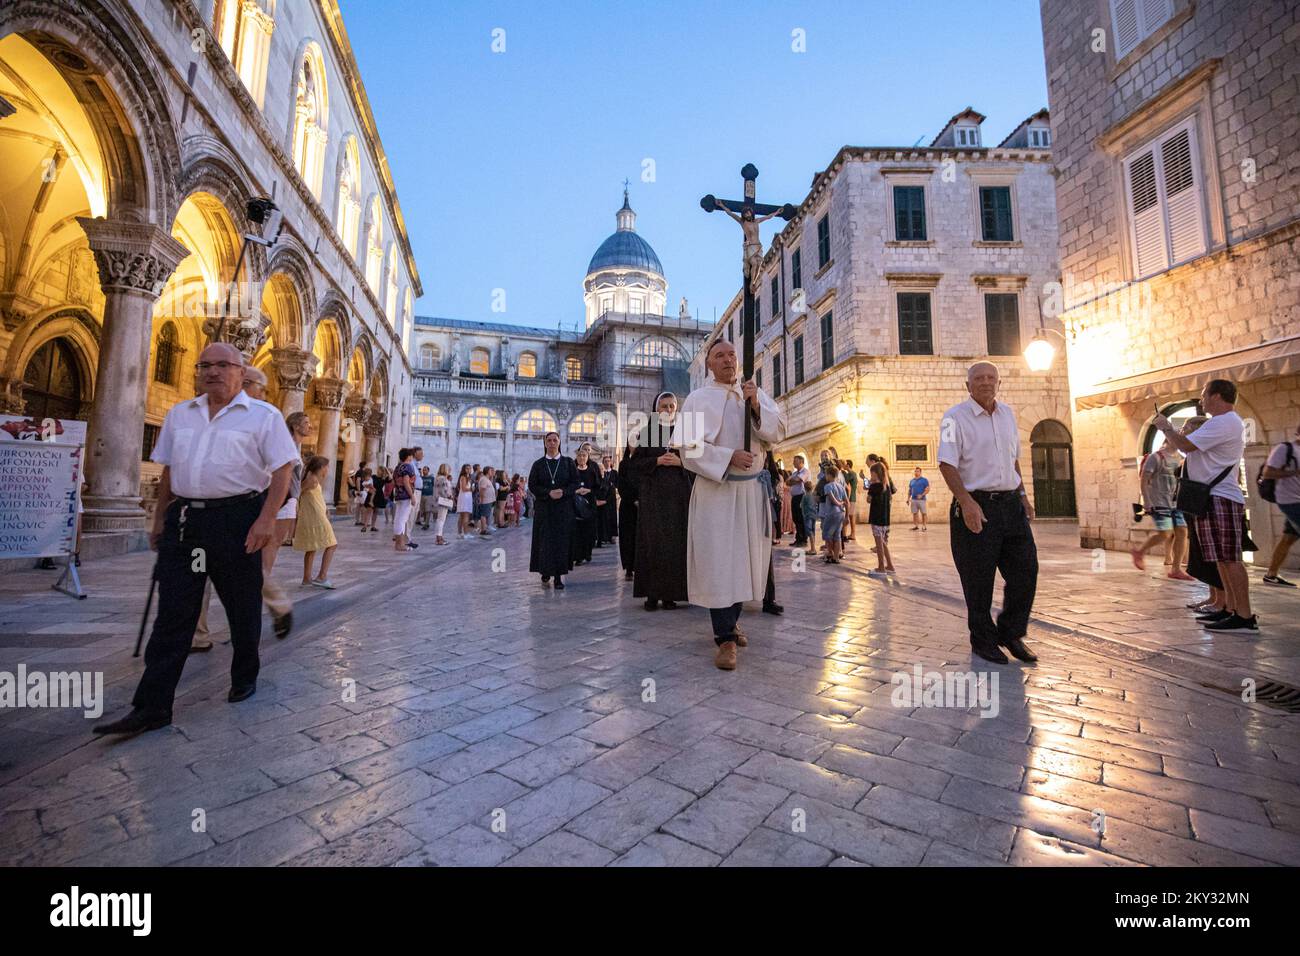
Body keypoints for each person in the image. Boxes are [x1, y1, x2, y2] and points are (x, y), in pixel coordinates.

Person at [94, 343, 297, 735]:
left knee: (242, 607)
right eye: (205, 365)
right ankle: (152, 706)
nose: (213, 372)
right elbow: (170, 469)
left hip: (237, 520)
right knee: (173, 614)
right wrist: (159, 519)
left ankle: (244, 675)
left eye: (223, 365)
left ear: (241, 371)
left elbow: (282, 470)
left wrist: (265, 520)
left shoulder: (263, 417)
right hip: (186, 521)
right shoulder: (179, 414)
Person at [671, 339, 786, 670]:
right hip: (717, 491)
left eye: (732, 354)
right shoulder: (697, 400)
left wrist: (756, 408)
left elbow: (778, 432)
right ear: (709, 364)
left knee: (744, 562)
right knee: (721, 563)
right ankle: (724, 639)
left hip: (752, 493)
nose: (727, 360)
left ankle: (732, 621)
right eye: (719, 355)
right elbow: (688, 451)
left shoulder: (755, 391)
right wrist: (728, 456)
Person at [937, 361, 1038, 665]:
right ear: (968, 386)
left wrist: (1023, 495)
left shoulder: (1007, 414)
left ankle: (1011, 633)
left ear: (998, 382)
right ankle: (983, 639)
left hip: (1010, 504)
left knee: (1026, 571)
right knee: (978, 579)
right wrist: (966, 502)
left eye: (990, 378)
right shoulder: (954, 417)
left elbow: (1013, 459)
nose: (985, 382)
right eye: (978, 378)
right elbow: (947, 463)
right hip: (976, 504)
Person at [1152, 379, 1255, 631]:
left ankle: (1244, 614)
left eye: (1204, 395)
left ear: (1217, 396)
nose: (1201, 400)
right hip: (1210, 497)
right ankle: (1229, 608)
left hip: (1222, 496)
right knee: (1220, 557)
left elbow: (1185, 445)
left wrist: (1166, 427)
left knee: (1230, 558)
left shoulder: (1226, 421)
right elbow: (1191, 450)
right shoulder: (1222, 423)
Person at [623, 392, 691, 611]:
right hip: (653, 498)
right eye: (664, 406)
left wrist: (681, 463)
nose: (668, 410)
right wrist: (657, 460)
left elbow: (699, 462)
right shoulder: (647, 432)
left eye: (672, 406)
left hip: (677, 499)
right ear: (656, 409)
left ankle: (670, 595)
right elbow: (633, 466)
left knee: (674, 547)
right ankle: (651, 595)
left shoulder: (684, 432)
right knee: (651, 546)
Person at [262, 410, 311, 638]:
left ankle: (264, 586)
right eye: (306, 423)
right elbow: (279, 475)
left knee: (273, 547)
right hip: (283, 502)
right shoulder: (288, 444)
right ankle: (267, 590)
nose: (309, 427)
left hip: (288, 502)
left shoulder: (295, 446)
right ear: (295, 425)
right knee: (270, 548)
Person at [1131, 442, 1192, 579]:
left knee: (1182, 531)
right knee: (1165, 533)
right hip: (1159, 501)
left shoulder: (1181, 458)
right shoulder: (1155, 457)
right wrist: (1146, 501)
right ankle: (1140, 552)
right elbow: (1144, 480)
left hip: (1176, 502)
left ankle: (1175, 569)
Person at [528, 431, 578, 589]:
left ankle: (558, 576)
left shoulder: (568, 462)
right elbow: (532, 485)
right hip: (545, 509)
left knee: (561, 543)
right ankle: (545, 571)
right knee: (545, 542)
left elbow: (575, 482)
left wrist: (563, 492)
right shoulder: (538, 464)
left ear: (559, 442)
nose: (551, 443)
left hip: (563, 509)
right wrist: (548, 493)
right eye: (548, 440)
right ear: (544, 443)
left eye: (554, 440)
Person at [1262, 422, 1300, 587]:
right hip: (1289, 500)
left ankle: (1271, 574)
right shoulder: (1285, 449)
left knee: (1288, 538)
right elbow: (1268, 472)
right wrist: (1294, 472)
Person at [294, 454, 338, 587]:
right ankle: (322, 576)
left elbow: (314, 497)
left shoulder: (313, 478)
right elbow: (298, 492)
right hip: (315, 516)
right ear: (321, 467)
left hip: (315, 514)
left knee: (311, 547)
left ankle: (307, 579)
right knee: (332, 544)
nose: (327, 469)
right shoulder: (312, 480)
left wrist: (325, 508)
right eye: (327, 467)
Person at [570, 444, 600, 565]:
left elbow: (598, 486)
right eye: (579, 455)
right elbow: (568, 485)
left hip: (589, 504)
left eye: (584, 455)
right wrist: (575, 491)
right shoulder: (572, 471)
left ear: (588, 457)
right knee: (577, 531)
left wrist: (589, 491)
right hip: (575, 505)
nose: (582, 458)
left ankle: (587, 553)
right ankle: (577, 556)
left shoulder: (592, 470)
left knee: (588, 531)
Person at [616, 441, 639, 579]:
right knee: (628, 537)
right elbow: (622, 485)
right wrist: (633, 499)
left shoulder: (645, 463)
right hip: (628, 505)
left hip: (644, 504)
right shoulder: (624, 464)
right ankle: (629, 567)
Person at [867, 461, 895, 575]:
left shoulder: (874, 486)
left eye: (871, 473)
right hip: (885, 519)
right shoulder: (887, 486)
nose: (871, 475)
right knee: (883, 543)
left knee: (879, 544)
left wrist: (870, 485)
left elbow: (868, 499)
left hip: (876, 518)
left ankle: (881, 567)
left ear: (875, 473)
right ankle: (890, 566)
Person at [391, 449, 418, 552]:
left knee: (398, 519)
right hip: (405, 495)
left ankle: (398, 543)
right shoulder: (407, 467)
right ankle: (400, 544)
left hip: (398, 494)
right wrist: (412, 496)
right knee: (402, 520)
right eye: (411, 455)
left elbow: (394, 481)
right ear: (408, 456)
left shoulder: (398, 467)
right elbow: (407, 482)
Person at [820, 463, 847, 564]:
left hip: (831, 513)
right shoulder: (841, 486)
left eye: (826, 475)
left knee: (827, 535)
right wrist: (847, 515)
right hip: (841, 513)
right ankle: (836, 557)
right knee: (837, 536)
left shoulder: (827, 486)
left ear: (830, 475)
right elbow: (847, 502)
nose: (826, 477)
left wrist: (839, 503)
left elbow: (832, 499)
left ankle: (830, 553)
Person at [787, 455, 810, 547]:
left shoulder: (805, 471)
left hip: (801, 497)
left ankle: (803, 539)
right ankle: (798, 538)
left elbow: (799, 480)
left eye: (795, 461)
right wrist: (794, 480)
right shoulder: (795, 473)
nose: (793, 463)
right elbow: (787, 482)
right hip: (794, 497)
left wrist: (794, 480)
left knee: (801, 518)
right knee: (795, 518)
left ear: (801, 462)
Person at [596, 453, 619, 545]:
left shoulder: (614, 473)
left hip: (612, 498)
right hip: (602, 498)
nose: (607, 463)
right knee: (604, 518)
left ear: (611, 462)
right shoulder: (602, 472)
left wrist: (613, 487)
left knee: (612, 517)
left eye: (608, 461)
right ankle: (604, 536)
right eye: (605, 461)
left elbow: (618, 484)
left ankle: (612, 536)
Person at [432, 464, 453, 545]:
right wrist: (450, 496)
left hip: (441, 500)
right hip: (442, 500)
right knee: (441, 520)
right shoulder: (442, 478)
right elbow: (443, 490)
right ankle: (439, 538)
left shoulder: (440, 478)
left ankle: (439, 536)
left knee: (441, 519)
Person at [476, 465, 496, 537]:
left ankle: (485, 528)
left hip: (488, 500)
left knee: (486, 514)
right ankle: (483, 530)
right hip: (485, 500)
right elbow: (482, 490)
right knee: (484, 515)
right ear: (487, 471)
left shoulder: (487, 479)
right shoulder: (484, 479)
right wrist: (482, 499)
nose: (492, 472)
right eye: (491, 471)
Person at [908, 466, 930, 531]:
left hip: (922, 500)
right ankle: (916, 526)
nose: (916, 472)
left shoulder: (924, 480)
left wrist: (922, 495)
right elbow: (909, 490)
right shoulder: (912, 481)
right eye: (915, 471)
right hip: (913, 500)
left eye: (917, 471)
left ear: (920, 472)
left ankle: (924, 526)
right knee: (915, 513)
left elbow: (928, 489)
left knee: (924, 513)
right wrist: (908, 498)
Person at [456, 464, 474, 539]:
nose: (469, 470)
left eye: (469, 468)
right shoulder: (463, 477)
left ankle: (460, 533)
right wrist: (471, 489)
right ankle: (465, 533)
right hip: (465, 497)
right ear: (464, 469)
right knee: (465, 515)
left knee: (462, 516)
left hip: (466, 497)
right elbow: (463, 488)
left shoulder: (468, 477)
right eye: (467, 468)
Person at [418, 465, 435, 530]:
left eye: (425, 469)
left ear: (428, 471)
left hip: (429, 495)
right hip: (422, 495)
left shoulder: (431, 478)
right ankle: (423, 521)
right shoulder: (421, 478)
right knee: (422, 510)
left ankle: (426, 523)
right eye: (423, 470)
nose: (424, 471)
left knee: (428, 510)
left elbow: (434, 486)